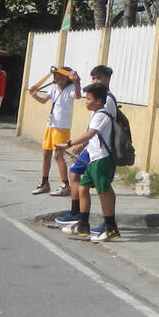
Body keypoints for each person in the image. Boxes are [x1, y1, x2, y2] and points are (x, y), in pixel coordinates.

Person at [54, 65, 117, 229]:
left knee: (104, 190)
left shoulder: (106, 101)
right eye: (94, 78)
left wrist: (78, 143)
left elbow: (95, 131)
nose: (96, 81)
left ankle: (109, 225)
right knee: (79, 180)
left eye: (99, 78)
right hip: (93, 148)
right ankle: (80, 220)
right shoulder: (97, 98)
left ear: (107, 79)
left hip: (100, 151)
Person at [29, 67, 80, 195]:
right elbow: (43, 101)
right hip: (50, 126)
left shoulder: (70, 89)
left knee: (57, 155)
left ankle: (65, 185)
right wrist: (34, 95)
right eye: (57, 76)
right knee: (46, 154)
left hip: (62, 127)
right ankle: (45, 183)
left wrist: (76, 82)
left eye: (62, 77)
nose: (59, 79)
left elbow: (78, 96)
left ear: (67, 79)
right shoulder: (52, 89)